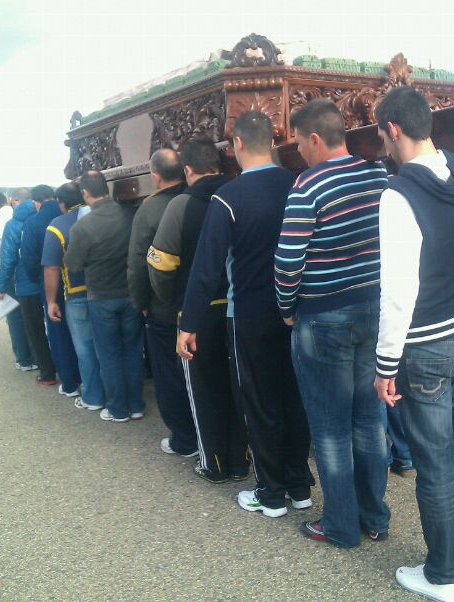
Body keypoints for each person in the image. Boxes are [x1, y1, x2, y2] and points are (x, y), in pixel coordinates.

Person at [374, 86, 454, 602]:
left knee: (436, 463)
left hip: (427, 346)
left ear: (393, 130)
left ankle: (442, 576)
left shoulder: (399, 193)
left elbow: (398, 289)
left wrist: (385, 364)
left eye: (381, 133)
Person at [177, 113, 312, 514]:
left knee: (260, 402)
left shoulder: (228, 198)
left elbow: (207, 268)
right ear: (271, 141)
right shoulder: (297, 184)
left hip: (250, 313)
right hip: (298, 310)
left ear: (236, 144)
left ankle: (271, 493)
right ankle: (300, 484)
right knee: (295, 397)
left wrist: (189, 324)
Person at [275, 99, 390, 547]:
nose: (300, 151)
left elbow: (288, 263)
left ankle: (341, 525)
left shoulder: (308, 186)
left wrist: (286, 307)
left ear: (316, 139)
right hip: (373, 310)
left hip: (322, 318)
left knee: (330, 427)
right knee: (368, 418)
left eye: (300, 142)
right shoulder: (378, 174)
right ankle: (374, 516)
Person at [148, 138, 248, 482]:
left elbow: (159, 265)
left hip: (197, 310)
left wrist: (172, 299)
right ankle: (240, 460)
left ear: (188, 170)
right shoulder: (238, 194)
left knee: (204, 391)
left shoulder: (180, 206)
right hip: (237, 307)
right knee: (238, 388)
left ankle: (213, 464)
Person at [127, 149, 197, 457]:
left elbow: (139, 262)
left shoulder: (150, 209)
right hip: (202, 301)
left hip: (164, 307)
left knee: (169, 374)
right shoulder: (198, 199)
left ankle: (183, 438)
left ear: (155, 176)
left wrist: (141, 301)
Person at [65, 170, 145, 423]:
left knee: (109, 354)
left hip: (101, 297)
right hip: (132, 293)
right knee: (133, 350)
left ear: (86, 194)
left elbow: (73, 265)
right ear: (106, 189)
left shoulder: (82, 226)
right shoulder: (131, 215)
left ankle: (118, 409)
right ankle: (136, 405)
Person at [42, 182, 106, 411]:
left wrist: (51, 301)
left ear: (61, 203)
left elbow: (51, 267)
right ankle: (116, 396)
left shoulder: (57, 226)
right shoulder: (104, 216)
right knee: (108, 347)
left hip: (77, 295)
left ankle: (93, 397)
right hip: (107, 291)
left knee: (85, 349)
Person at [22, 184, 80, 397]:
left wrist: (34, 279)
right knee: (83, 333)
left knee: (58, 332)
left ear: (36, 202)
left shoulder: (33, 222)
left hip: (50, 282)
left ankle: (69, 380)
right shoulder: (75, 214)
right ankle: (86, 375)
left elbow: (28, 258)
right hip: (79, 281)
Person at [0, 198, 58, 386]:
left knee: (34, 328)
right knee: (56, 324)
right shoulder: (49, 219)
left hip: (26, 285)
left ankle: (46, 370)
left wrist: (0, 285)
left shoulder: (13, 225)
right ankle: (64, 365)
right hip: (52, 282)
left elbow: (8, 258)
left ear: (15, 203)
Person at [0, 191, 34, 371]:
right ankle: (39, 356)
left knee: (15, 317)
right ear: (8, 201)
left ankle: (24, 359)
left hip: (8, 274)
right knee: (33, 314)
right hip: (31, 271)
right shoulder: (28, 216)